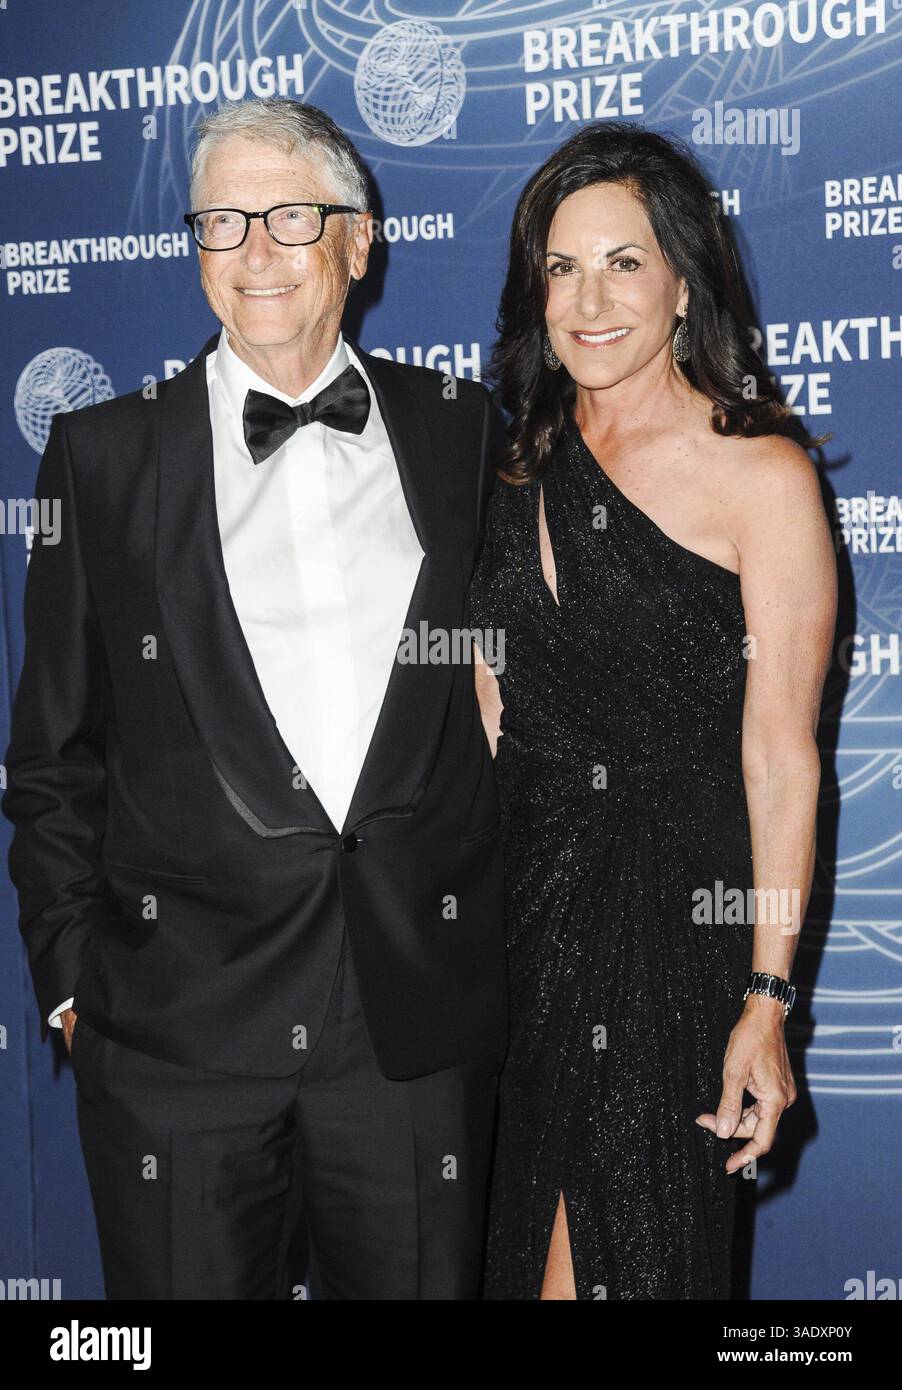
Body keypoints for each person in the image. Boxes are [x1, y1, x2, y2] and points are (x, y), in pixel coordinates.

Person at [3, 97, 509, 1301]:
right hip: (174, 1035)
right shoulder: (103, 457)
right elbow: (51, 752)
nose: (254, 252)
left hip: (410, 1035)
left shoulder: (462, 435)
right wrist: (76, 983)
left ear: (359, 239)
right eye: (221, 221)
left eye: (290, 215)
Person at [469, 121, 837, 1300]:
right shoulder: (510, 462)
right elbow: (483, 713)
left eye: (623, 261)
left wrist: (767, 997)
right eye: (562, 267)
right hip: (511, 932)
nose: (589, 299)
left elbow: (780, 757)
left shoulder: (761, 477)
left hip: (671, 934)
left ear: (682, 281)